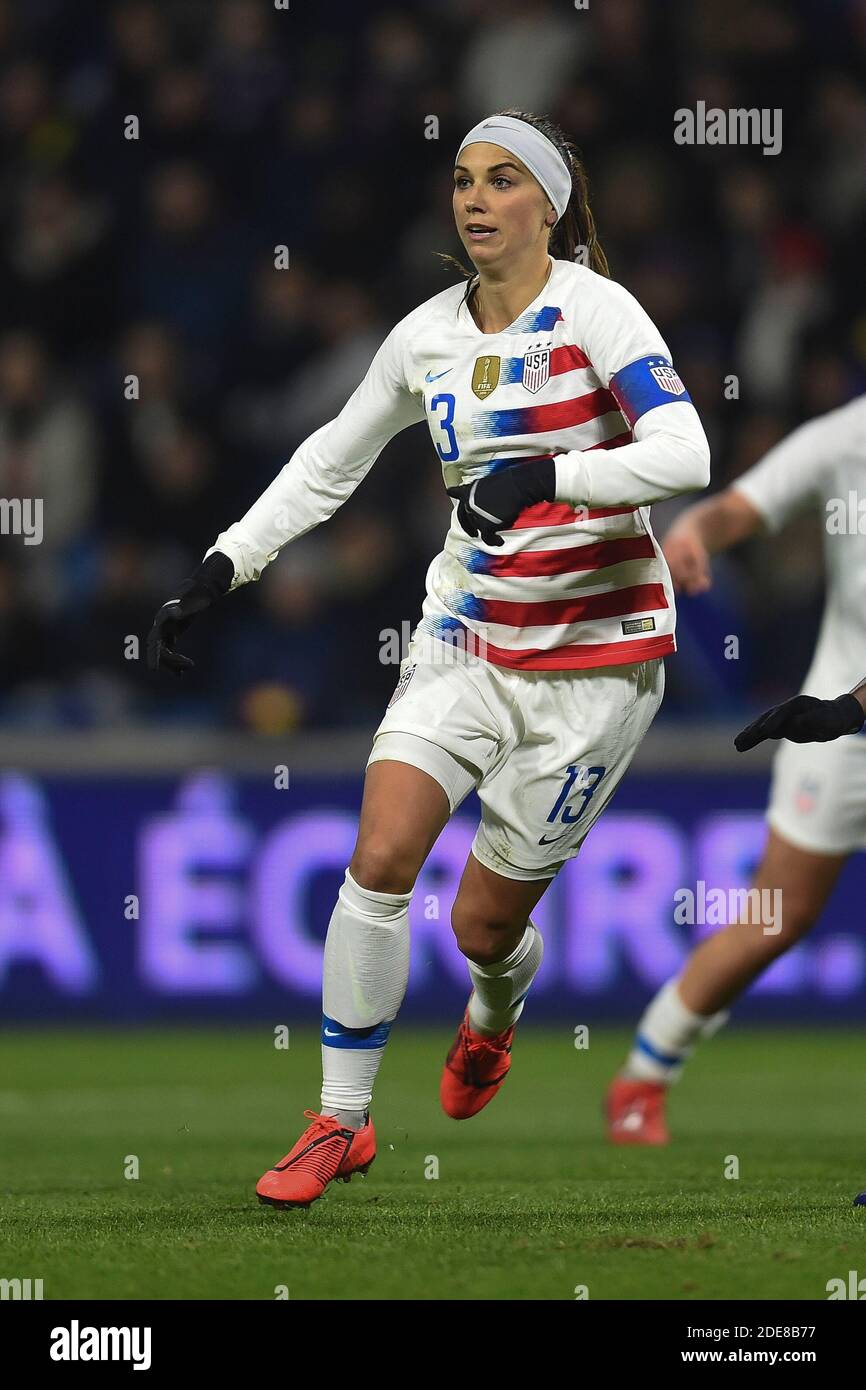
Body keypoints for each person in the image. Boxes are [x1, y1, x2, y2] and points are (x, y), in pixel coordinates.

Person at [147, 109, 710, 1207]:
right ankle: (337, 1122)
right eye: (462, 179)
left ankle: (493, 1011)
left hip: (596, 667)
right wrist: (222, 566)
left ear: (544, 205)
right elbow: (327, 463)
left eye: (502, 181)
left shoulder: (596, 310)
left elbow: (683, 449)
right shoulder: (423, 338)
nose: (475, 198)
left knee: (480, 927)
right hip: (463, 634)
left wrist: (548, 476)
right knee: (381, 855)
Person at [607, 392, 866, 1145]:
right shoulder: (844, 436)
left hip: (842, 714)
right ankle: (643, 1077)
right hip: (839, 738)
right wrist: (695, 531)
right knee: (775, 917)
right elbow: (743, 506)